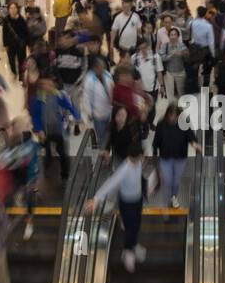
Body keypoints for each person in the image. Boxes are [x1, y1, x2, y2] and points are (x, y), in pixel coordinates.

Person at [85, 141, 148, 272]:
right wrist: (96, 199)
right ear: (131, 157)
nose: (139, 161)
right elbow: (110, 183)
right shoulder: (124, 169)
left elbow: (140, 176)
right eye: (136, 159)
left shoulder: (139, 161)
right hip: (127, 202)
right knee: (131, 228)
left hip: (137, 200)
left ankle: (133, 244)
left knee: (136, 224)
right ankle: (128, 252)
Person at [152, 102, 200, 208]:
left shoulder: (184, 124)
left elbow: (191, 136)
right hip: (165, 157)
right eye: (171, 114)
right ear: (167, 114)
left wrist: (194, 144)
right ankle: (168, 195)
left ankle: (174, 196)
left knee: (176, 179)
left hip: (180, 157)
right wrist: (155, 153)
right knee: (167, 178)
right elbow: (156, 140)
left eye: (175, 115)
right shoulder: (161, 124)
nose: (173, 117)